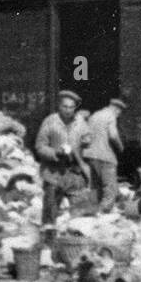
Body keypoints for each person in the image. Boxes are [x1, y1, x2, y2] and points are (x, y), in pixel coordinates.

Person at [33, 89, 91, 227]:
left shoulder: (80, 122)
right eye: (65, 106)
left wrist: (87, 141)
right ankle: (48, 243)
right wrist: (54, 153)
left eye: (71, 107)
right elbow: (40, 146)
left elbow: (88, 137)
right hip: (54, 174)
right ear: (59, 106)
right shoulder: (50, 122)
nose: (68, 110)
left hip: (75, 174)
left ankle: (77, 244)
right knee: (50, 214)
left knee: (82, 215)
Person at [85, 98, 126, 212]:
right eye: (119, 113)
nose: (119, 115)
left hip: (91, 155)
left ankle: (92, 211)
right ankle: (104, 213)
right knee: (110, 187)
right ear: (117, 110)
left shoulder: (94, 115)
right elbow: (113, 135)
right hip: (105, 155)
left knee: (95, 186)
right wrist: (120, 146)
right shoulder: (110, 116)